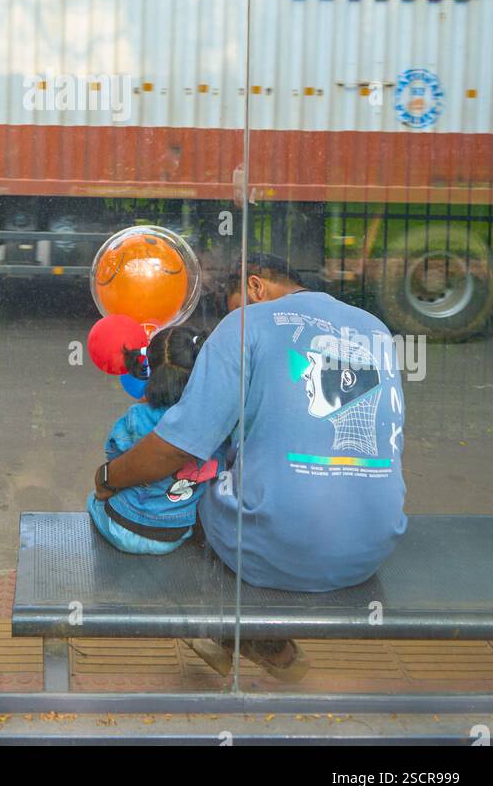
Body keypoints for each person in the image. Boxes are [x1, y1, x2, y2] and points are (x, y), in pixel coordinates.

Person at [92, 253, 406, 679]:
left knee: (185, 487)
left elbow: (176, 447)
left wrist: (108, 477)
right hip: (372, 546)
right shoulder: (374, 329)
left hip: (280, 548)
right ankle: (263, 642)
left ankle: (224, 629)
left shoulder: (245, 325)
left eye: (234, 303)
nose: (228, 318)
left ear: (256, 288)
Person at [87, 325, 216, 555]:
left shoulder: (136, 417)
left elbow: (115, 455)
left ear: (151, 371)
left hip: (121, 523)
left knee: (93, 500)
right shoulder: (215, 420)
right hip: (175, 532)